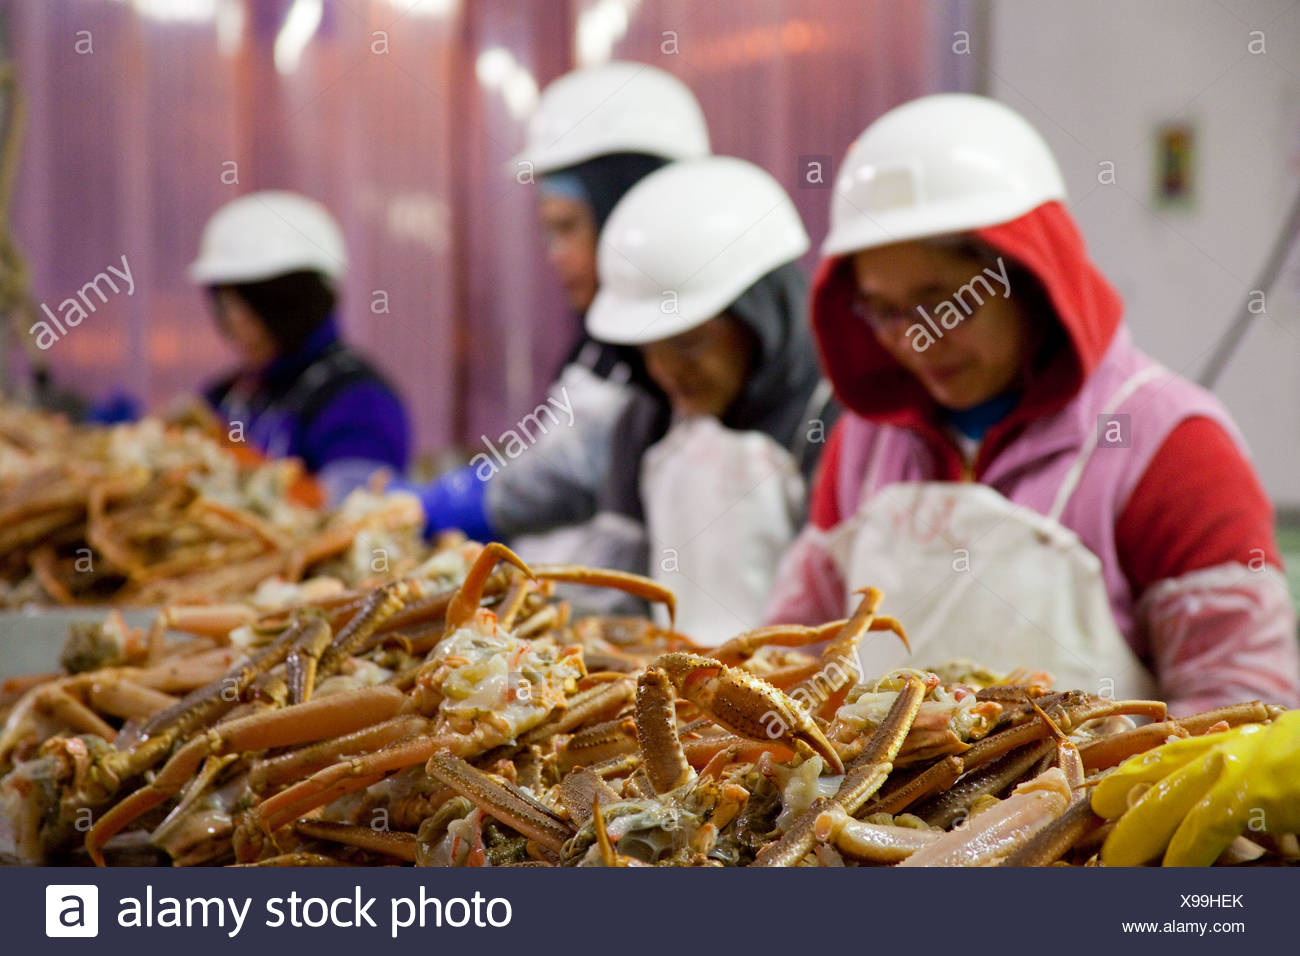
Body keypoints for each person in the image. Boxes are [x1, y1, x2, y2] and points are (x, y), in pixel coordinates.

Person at [767, 93, 1300, 714]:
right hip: (866, 812)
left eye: (946, 300)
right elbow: (793, 658)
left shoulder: (1172, 449)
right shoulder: (866, 444)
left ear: (1027, 277)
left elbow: (1240, 713)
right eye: (884, 310)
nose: (917, 335)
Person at [401, 62, 707, 582]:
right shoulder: (595, 341)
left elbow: (578, 472)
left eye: (567, 228)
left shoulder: (688, 352)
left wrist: (448, 505)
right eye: (548, 232)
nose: (554, 256)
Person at [585, 157, 836, 643]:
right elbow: (613, 592)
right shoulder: (647, 419)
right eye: (646, 349)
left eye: (688, 343)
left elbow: (840, 629)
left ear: (762, 315)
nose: (665, 370)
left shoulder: (832, 420)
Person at [190, 190, 410, 503]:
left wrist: (229, 455)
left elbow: (358, 511)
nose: (237, 319)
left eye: (259, 299)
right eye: (223, 303)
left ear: (309, 299)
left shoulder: (359, 401)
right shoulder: (227, 396)